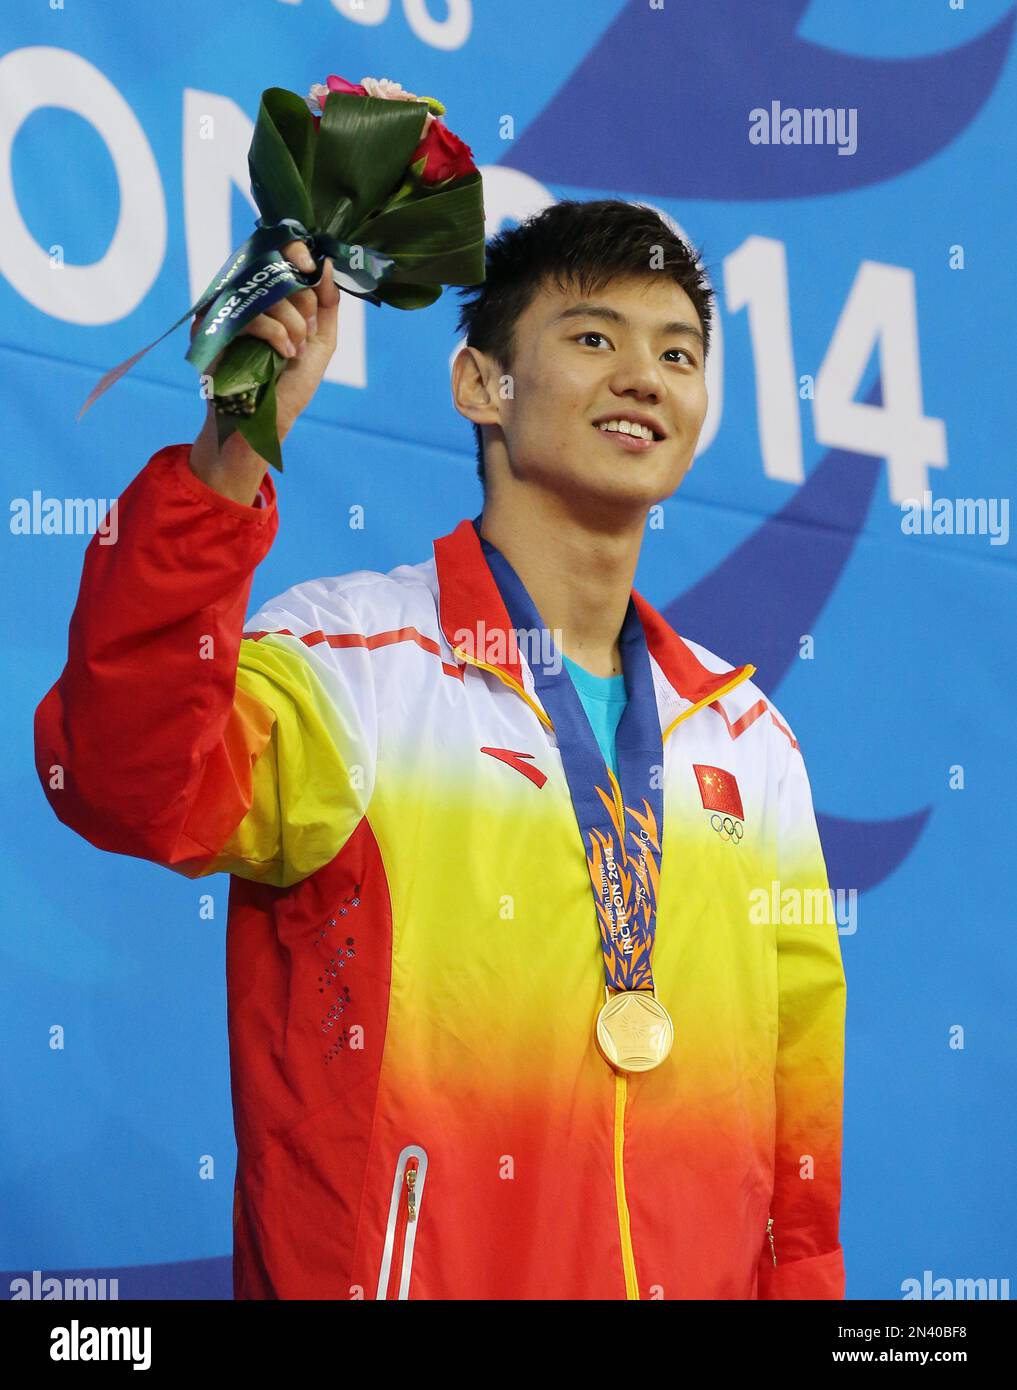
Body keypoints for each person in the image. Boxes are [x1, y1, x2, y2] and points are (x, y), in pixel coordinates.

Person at [34, 199, 847, 1300]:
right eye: (594, 337)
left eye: (679, 352)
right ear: (480, 385)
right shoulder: (352, 666)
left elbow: (798, 1154)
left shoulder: (751, 742)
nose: (646, 376)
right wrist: (227, 455)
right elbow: (131, 780)